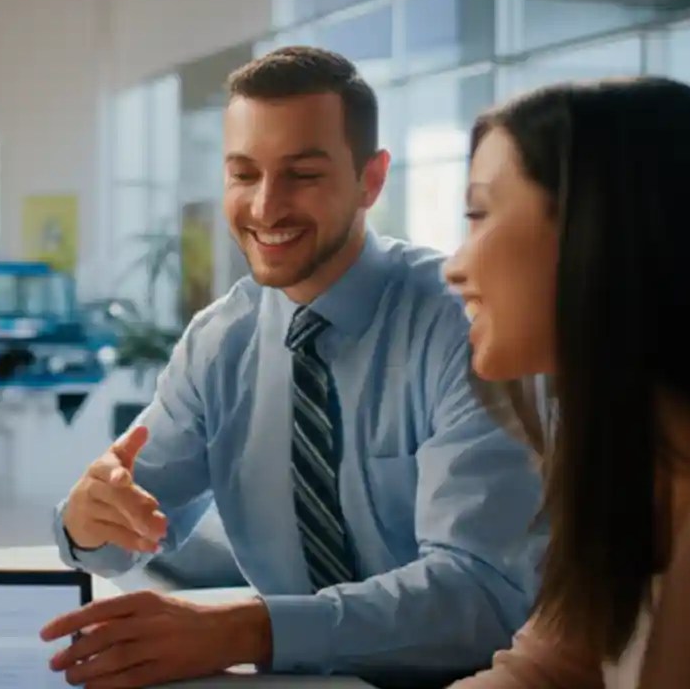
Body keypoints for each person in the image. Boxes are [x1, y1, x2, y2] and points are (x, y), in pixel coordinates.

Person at [40, 46, 546, 687]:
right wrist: (89, 520)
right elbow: (121, 532)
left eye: (302, 174)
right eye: (244, 174)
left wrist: (249, 630)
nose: (266, 206)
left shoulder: (468, 329)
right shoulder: (220, 341)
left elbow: (484, 594)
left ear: (370, 180)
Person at [443, 77, 690, 688]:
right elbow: (547, 671)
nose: (454, 266)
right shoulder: (629, 451)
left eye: (479, 215)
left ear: (596, 228)